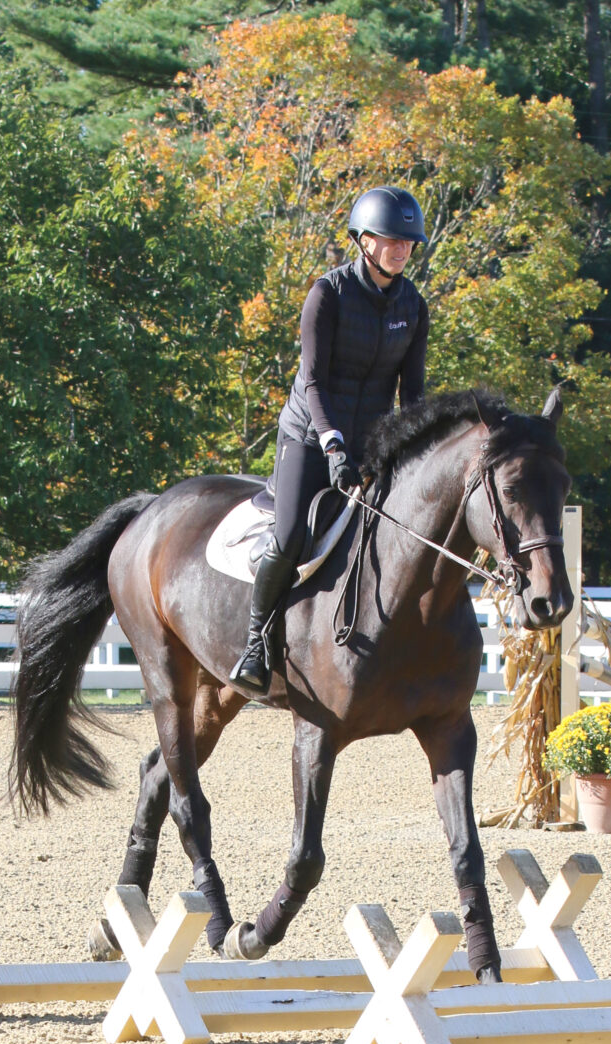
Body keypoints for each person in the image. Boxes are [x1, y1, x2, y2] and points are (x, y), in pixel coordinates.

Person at [230, 185, 430, 694]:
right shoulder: (328, 294)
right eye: (391, 239)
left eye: (409, 242)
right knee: (292, 533)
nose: (402, 248)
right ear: (364, 240)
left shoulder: (413, 304)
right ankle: (255, 644)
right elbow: (314, 382)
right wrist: (333, 445)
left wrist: (414, 454)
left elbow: (414, 394)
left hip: (370, 441)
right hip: (308, 434)